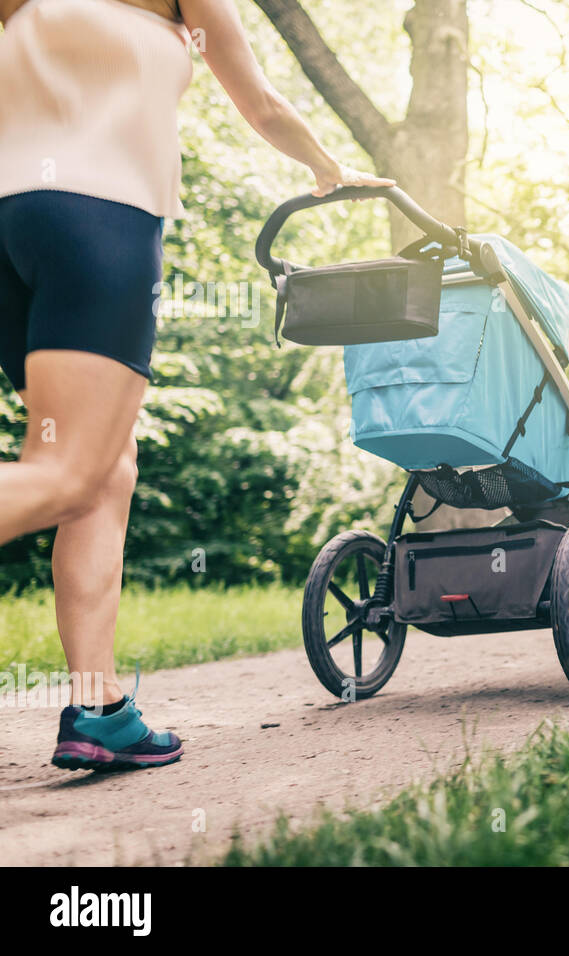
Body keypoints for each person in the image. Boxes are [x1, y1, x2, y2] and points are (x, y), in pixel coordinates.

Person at [0, 0, 393, 770]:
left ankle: (98, 707)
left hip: (11, 224)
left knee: (107, 468)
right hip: (98, 217)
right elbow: (262, 103)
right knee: (68, 472)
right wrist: (328, 168)